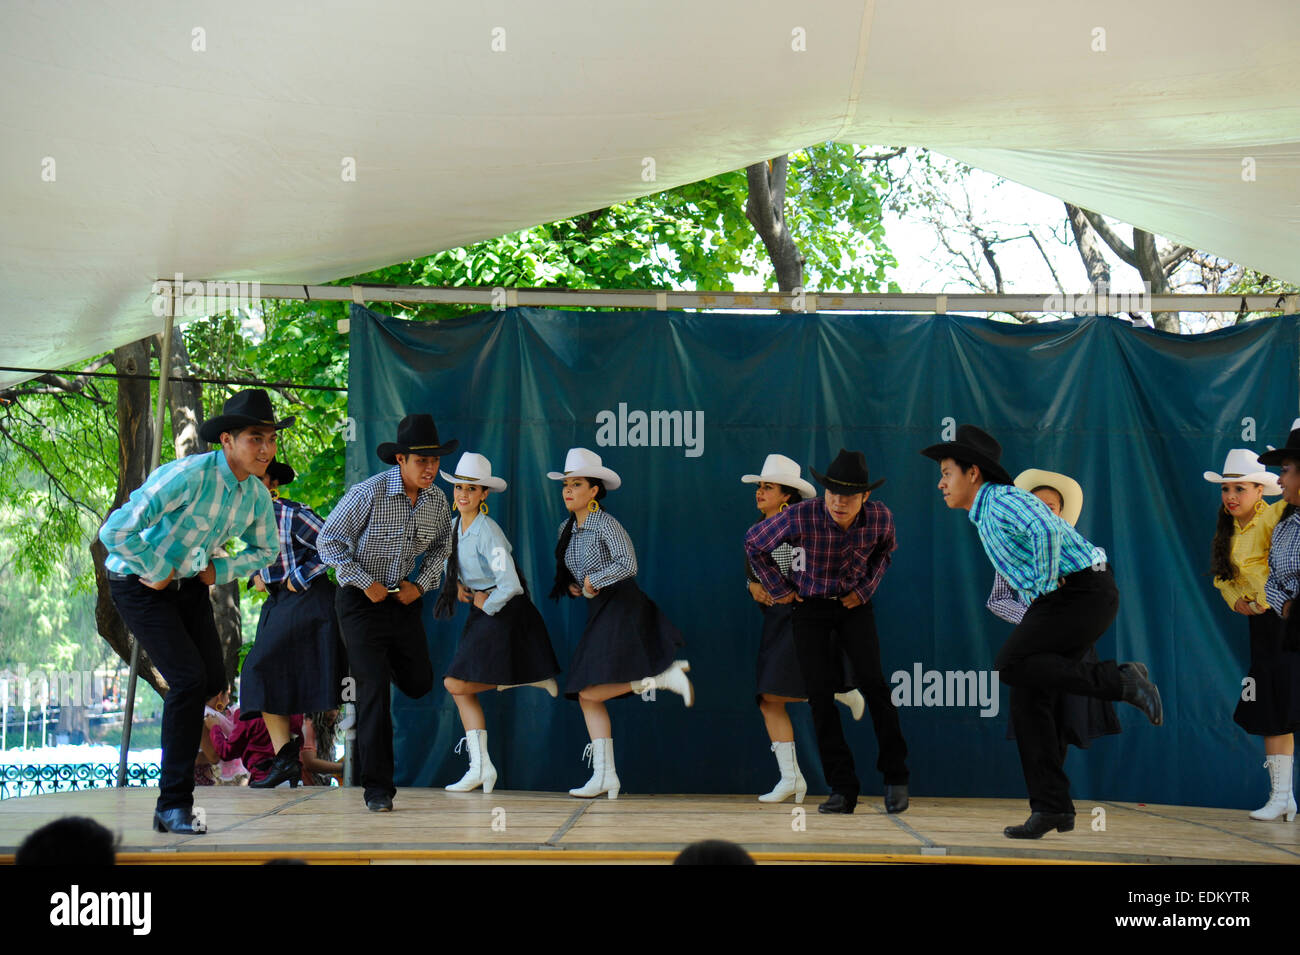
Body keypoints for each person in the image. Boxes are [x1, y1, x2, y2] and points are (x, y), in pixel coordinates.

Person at [922, 424, 1162, 839]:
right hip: (1077, 595)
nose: (940, 482)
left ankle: (1122, 681)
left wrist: (1048, 586)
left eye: (947, 472)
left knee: (1011, 663)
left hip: (1083, 591)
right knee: (1030, 702)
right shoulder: (985, 514)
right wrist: (1045, 591)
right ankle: (1052, 807)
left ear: (973, 473)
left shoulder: (999, 500)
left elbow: (1047, 529)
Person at [99, 388, 287, 834]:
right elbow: (115, 531)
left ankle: (198, 775)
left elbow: (267, 550)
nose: (266, 449)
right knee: (186, 679)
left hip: (187, 585)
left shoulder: (256, 496)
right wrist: (158, 567)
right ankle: (173, 804)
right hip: (138, 582)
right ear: (226, 440)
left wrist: (219, 568)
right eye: (255, 439)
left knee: (212, 682)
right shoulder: (185, 476)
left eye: (271, 440)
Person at [744, 448, 910, 815]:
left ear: (866, 497)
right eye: (833, 493)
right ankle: (842, 787)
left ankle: (896, 777)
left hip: (854, 607)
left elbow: (885, 553)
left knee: (875, 685)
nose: (838, 502)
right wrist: (780, 590)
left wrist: (866, 589)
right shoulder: (803, 514)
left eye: (848, 495)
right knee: (819, 697)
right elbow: (754, 544)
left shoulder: (881, 518)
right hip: (810, 608)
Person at [317, 414, 456, 812]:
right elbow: (328, 542)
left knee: (418, 682)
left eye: (434, 461)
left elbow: (442, 548)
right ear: (400, 460)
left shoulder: (437, 500)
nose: (429, 469)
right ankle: (378, 790)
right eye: (421, 461)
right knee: (373, 694)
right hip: (360, 602)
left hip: (401, 599)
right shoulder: (369, 493)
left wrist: (422, 584)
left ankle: (378, 662)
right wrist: (363, 581)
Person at [547, 447, 692, 799]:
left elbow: (628, 565)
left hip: (623, 606)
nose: (568, 490)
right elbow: (575, 573)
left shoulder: (606, 523)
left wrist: (596, 580)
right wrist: (575, 585)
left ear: (594, 490)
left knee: (587, 690)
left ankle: (659, 677)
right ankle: (606, 776)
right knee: (586, 694)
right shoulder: (566, 527)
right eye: (566, 484)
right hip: (600, 609)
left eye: (576, 484)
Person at [741, 453, 865, 804]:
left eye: (768, 487)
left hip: (796, 616)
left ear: (786, 496)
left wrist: (769, 588)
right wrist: (751, 586)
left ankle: (836, 692)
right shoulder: (762, 527)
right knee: (768, 699)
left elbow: (791, 574)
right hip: (777, 619)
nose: (760, 492)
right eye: (759, 486)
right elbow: (757, 575)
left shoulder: (791, 528)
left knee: (769, 694)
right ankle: (791, 778)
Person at [433, 452, 560, 793]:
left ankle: (521, 678)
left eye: (471, 490)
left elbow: (512, 585)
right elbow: (460, 567)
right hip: (482, 610)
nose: (463, 494)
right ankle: (481, 768)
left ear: (484, 495)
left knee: (455, 684)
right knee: (460, 689)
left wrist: (482, 601)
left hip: (505, 612)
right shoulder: (456, 526)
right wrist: (461, 589)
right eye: (459, 487)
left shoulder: (490, 532)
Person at [986, 469, 1121, 752]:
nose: (1042, 512)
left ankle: (1055, 791)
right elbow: (997, 599)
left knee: (1066, 719)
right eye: (1034, 506)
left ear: (1060, 512)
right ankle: (1046, 792)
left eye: (1050, 507)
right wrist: (1034, 619)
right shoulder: (1011, 551)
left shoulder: (1078, 552)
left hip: (1073, 645)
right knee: (1037, 720)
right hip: (1032, 648)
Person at [240, 458, 347, 789]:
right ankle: (286, 758)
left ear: (271, 484)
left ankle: (292, 758)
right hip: (279, 602)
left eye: (259, 479)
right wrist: (260, 575)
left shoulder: (292, 513)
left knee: (259, 670)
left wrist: (297, 578)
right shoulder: (246, 520)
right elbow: (266, 559)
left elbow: (336, 543)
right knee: (267, 677)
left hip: (308, 600)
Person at [1247, 430, 1300, 820]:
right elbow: (1271, 579)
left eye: (1285, 470)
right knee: (1278, 706)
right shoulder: (1283, 525)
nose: (1278, 479)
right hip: (1288, 629)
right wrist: (1287, 608)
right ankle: (1282, 797)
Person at [208, 706, 305, 786]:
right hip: (294, 775)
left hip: (265, 781)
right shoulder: (295, 711)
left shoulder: (248, 713)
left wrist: (214, 728)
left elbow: (227, 752)